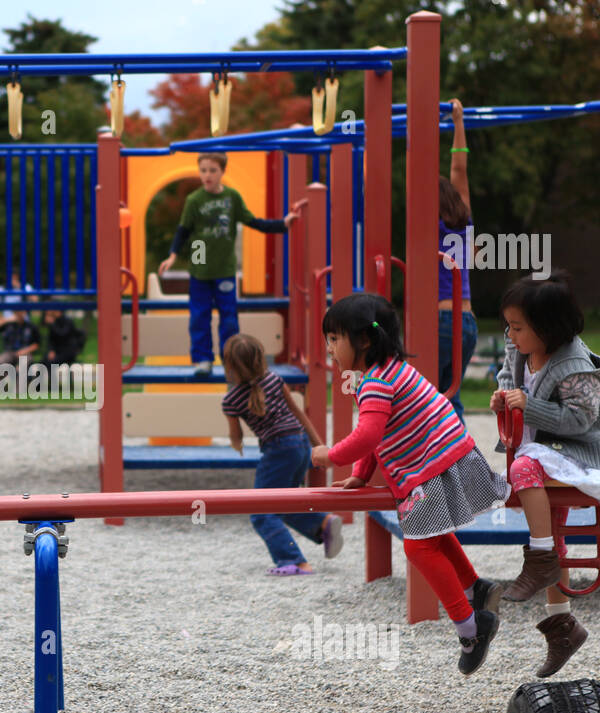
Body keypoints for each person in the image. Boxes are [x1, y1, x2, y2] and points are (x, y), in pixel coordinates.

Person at [313, 293, 509, 675]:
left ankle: (470, 628)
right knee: (431, 534)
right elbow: (379, 436)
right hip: (452, 456)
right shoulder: (393, 371)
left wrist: (329, 456)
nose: (329, 348)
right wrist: (360, 473)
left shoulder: (374, 384)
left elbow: (368, 435)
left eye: (335, 339)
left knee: (419, 549)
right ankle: (475, 588)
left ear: (364, 341)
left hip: (430, 468)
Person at [490, 273, 600, 677]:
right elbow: (507, 373)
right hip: (541, 448)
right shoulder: (519, 343)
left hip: (573, 451)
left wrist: (528, 407)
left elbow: (581, 420)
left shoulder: (574, 366)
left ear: (548, 328)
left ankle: (539, 560)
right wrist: (504, 396)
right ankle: (562, 625)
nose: (511, 335)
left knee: (524, 471)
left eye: (518, 327)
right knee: (552, 529)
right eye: (510, 326)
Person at [157, 152, 297, 375]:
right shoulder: (194, 200)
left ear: (222, 172)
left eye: (213, 170)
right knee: (199, 316)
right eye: (203, 170)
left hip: (224, 268)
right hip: (200, 261)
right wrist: (172, 255)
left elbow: (253, 221)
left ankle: (231, 361)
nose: (207, 175)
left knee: (229, 318)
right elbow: (183, 230)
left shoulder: (231, 198)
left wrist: (282, 224)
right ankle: (202, 359)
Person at [222, 334, 343, 575]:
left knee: (260, 512)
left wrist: (237, 445)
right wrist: (320, 447)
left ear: (230, 366)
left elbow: (235, 436)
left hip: (278, 450)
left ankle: (294, 561)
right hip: (300, 447)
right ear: (260, 358)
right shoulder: (275, 380)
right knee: (282, 502)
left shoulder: (231, 401)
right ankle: (322, 524)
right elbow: (299, 414)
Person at [439, 98, 478, 423]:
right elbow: (459, 168)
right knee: (452, 398)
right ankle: (463, 464)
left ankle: (442, 464)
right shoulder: (463, 222)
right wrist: (458, 122)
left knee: (430, 400)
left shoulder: (428, 227)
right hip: (467, 323)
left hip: (440, 322)